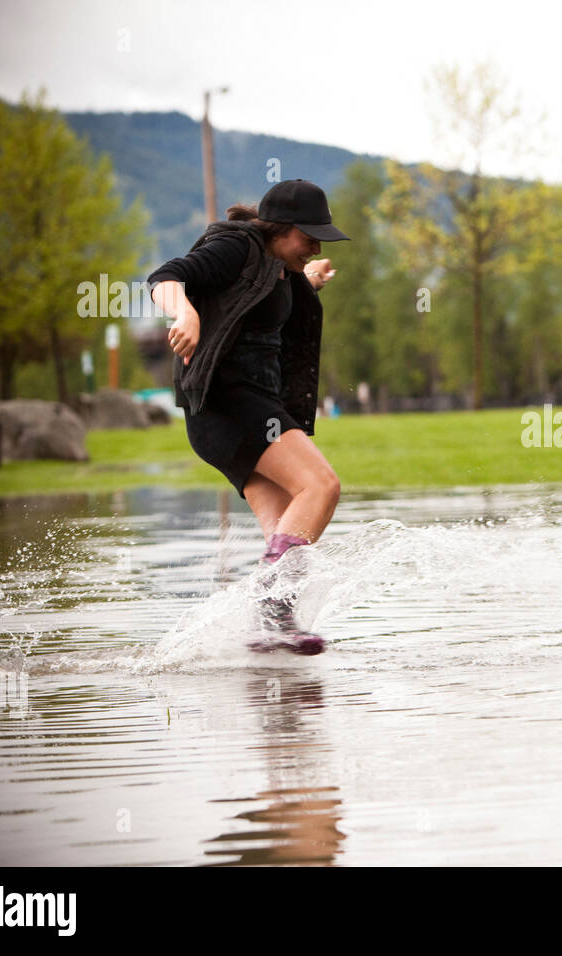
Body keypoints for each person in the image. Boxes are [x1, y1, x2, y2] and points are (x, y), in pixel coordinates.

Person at [148, 179, 349, 653]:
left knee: (285, 525)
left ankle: (270, 640)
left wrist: (307, 280)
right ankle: (269, 605)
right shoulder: (236, 245)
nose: (316, 245)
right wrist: (185, 315)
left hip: (248, 409)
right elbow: (165, 277)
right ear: (279, 229)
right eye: (309, 236)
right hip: (229, 403)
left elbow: (255, 301)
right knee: (321, 487)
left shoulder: (278, 269)